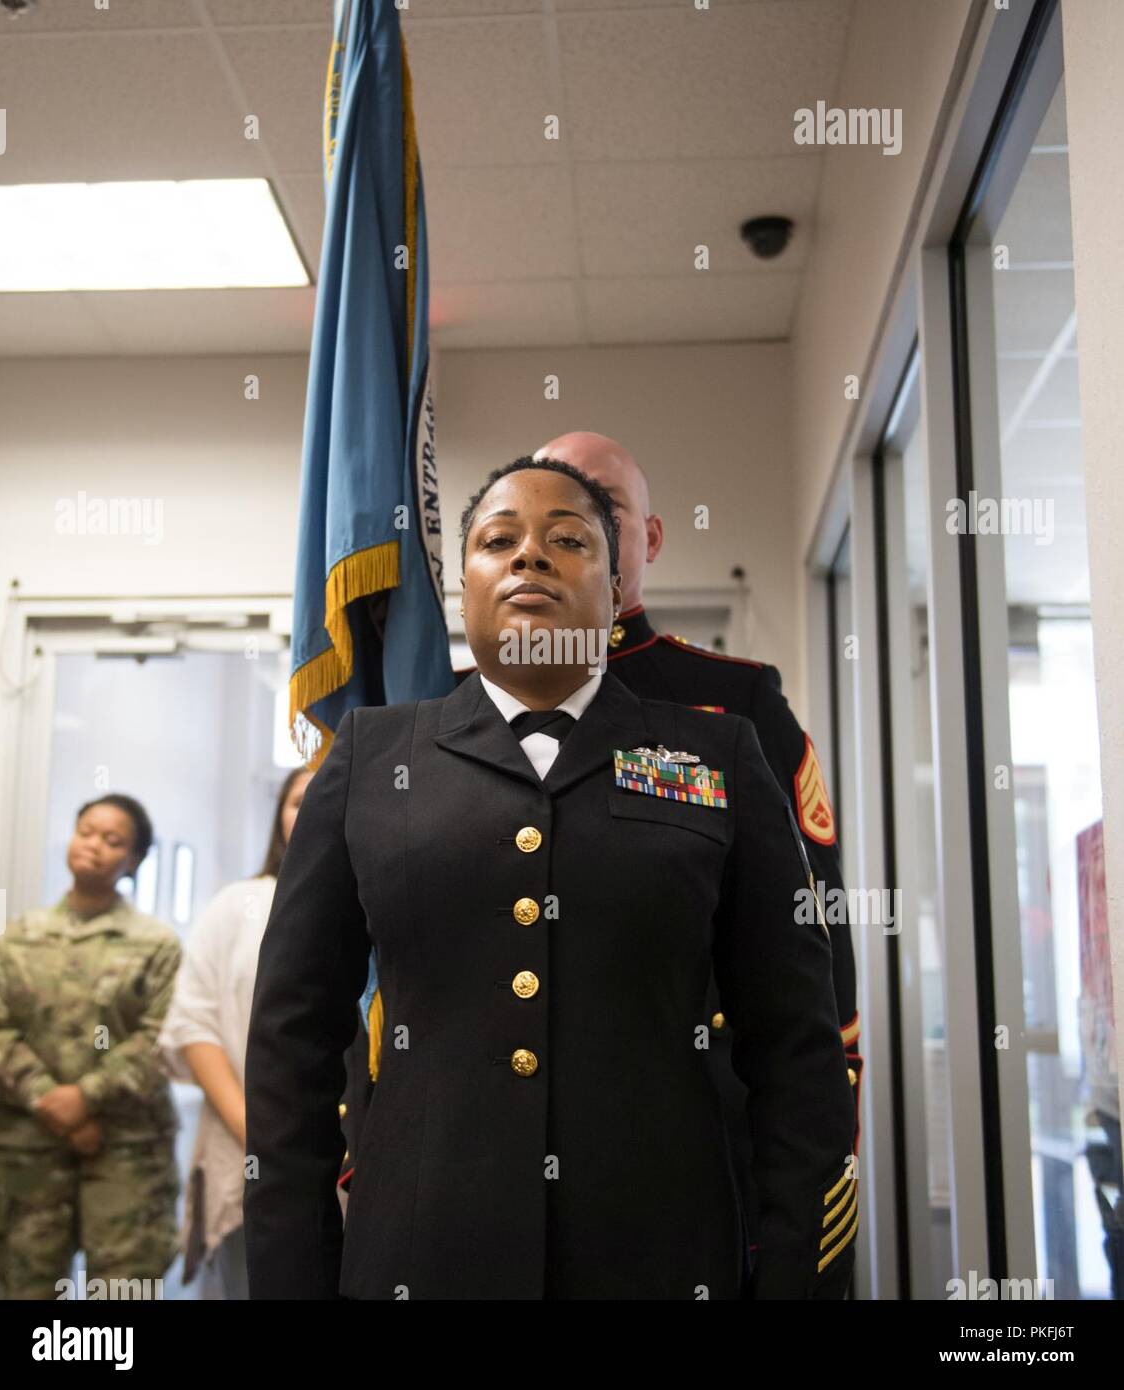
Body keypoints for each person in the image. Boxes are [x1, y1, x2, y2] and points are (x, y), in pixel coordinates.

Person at [245, 456, 857, 1300]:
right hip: (419, 1260)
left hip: (659, 1259)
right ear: (464, 588)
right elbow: (292, 1040)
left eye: (568, 540)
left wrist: (795, 1279)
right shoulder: (373, 758)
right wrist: (294, 1278)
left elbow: (795, 1044)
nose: (530, 556)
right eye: (499, 541)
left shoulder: (715, 753)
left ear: (615, 591)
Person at [533, 431, 863, 1261]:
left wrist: (814, 1147)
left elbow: (812, 929)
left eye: (605, 502)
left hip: (700, 1126)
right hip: (502, 1139)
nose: (580, 521)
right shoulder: (459, 708)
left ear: (648, 538)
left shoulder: (733, 701)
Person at [0, 795, 180, 1300]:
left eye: (113, 840)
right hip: (30, 1147)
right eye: (86, 831)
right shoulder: (17, 939)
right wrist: (51, 1100)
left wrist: (86, 1097)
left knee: (123, 1297)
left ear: (133, 860)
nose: (94, 845)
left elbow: (161, 1036)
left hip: (126, 1151)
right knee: (28, 1290)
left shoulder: (156, 945)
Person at [157, 766, 313, 1299]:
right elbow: (192, 1023)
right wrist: (258, 1135)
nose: (312, 809)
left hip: (357, 1160)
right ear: (278, 819)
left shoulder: (389, 897)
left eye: (326, 795)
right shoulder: (238, 904)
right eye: (297, 801)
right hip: (244, 1141)